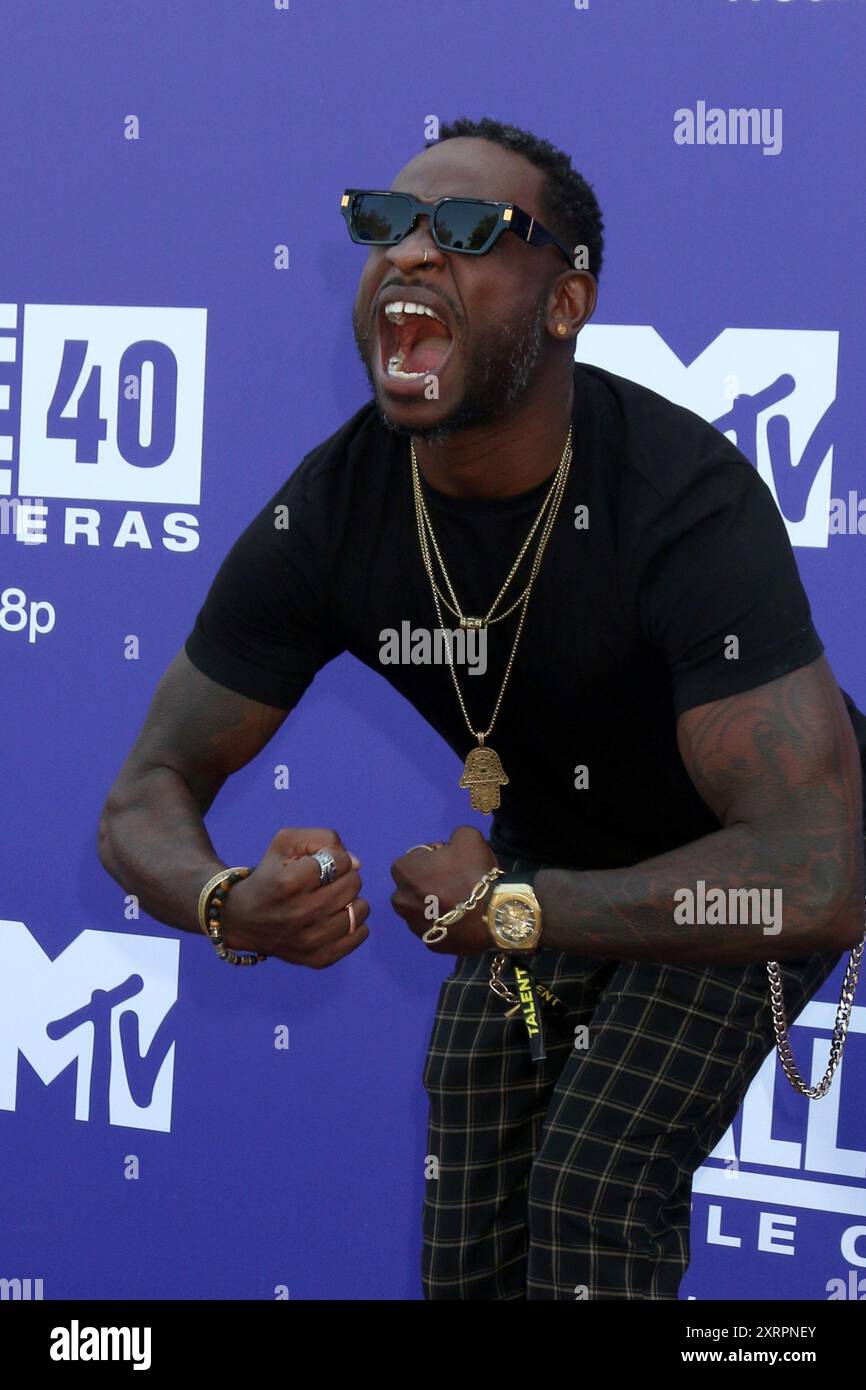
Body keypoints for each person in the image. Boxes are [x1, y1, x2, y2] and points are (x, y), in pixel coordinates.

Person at [98, 117, 866, 1301]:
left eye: (464, 232)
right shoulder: (334, 509)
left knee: (593, 1181)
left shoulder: (682, 500)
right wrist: (223, 902)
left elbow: (815, 872)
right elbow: (146, 791)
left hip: (738, 870)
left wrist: (512, 911)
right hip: (542, 857)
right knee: (470, 1185)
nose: (409, 253)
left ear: (565, 302)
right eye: (383, 226)